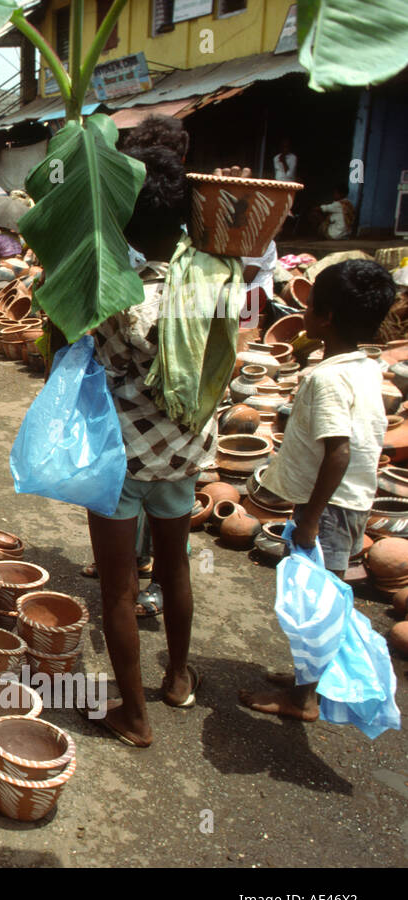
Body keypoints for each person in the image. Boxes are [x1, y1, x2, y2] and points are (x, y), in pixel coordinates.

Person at [86, 144, 240, 747]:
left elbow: (95, 353)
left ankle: (135, 716)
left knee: (117, 587)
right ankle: (177, 678)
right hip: (181, 449)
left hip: (121, 454)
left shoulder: (115, 288)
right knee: (175, 565)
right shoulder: (209, 279)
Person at [241, 260, 397, 721]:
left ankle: (305, 698)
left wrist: (309, 516)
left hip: (328, 506)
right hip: (349, 502)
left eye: (309, 305)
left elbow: (338, 452)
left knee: (317, 601)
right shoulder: (364, 367)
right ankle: (310, 677)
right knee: (321, 593)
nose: (303, 311)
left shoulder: (326, 378)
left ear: (325, 317)